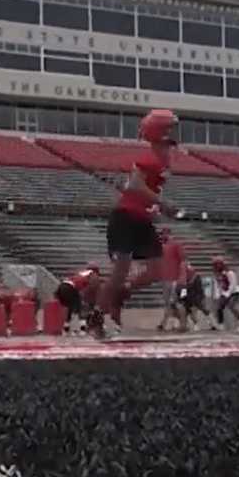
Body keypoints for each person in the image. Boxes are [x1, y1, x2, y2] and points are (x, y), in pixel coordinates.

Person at [101, 109, 179, 338]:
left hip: (141, 218)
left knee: (155, 269)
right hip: (126, 217)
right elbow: (133, 186)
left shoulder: (159, 162)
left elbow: (144, 191)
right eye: (167, 140)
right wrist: (162, 203)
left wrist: (155, 207)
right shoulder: (149, 157)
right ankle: (99, 315)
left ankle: (122, 293)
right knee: (120, 271)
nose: (170, 150)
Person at [55, 263, 98, 335]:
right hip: (70, 288)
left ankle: (66, 329)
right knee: (80, 308)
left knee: (70, 308)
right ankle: (82, 330)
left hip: (61, 286)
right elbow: (87, 288)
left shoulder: (82, 273)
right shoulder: (92, 274)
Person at [156, 230, 185, 332]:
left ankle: (181, 324)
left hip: (174, 278)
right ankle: (172, 323)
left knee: (175, 302)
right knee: (168, 302)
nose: (161, 236)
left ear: (168, 234)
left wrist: (181, 277)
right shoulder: (161, 247)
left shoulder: (176, 244)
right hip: (165, 279)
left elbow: (182, 261)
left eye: (163, 234)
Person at [213, 257, 239, 332]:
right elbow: (218, 286)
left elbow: (233, 284)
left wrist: (227, 293)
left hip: (234, 292)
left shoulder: (230, 272)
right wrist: (218, 295)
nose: (217, 266)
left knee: (231, 306)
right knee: (219, 307)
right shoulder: (217, 275)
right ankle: (221, 325)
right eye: (215, 265)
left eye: (218, 264)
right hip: (225, 292)